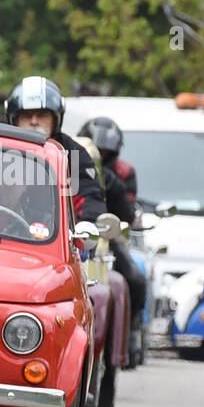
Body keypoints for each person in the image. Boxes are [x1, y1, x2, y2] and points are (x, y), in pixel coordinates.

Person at [79, 118, 148, 341]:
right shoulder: (60, 162)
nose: (98, 156)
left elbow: (126, 212)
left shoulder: (121, 174)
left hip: (107, 235)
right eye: (94, 151)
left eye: (103, 153)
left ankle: (128, 333)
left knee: (134, 278)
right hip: (65, 231)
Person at [3, 76, 106, 223]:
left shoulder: (74, 154)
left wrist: (86, 227)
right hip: (3, 237)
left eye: (42, 115)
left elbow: (89, 197)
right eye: (26, 115)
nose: (34, 121)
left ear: (56, 119)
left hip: (57, 240)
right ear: (14, 119)